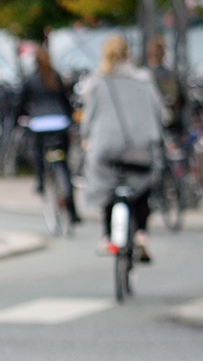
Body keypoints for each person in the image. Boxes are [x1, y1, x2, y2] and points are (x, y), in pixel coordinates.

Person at [80, 36, 163, 261]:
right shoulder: (144, 80)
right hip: (141, 145)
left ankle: (107, 237)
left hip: (106, 146)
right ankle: (142, 234)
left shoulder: (98, 81)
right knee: (143, 186)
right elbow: (159, 113)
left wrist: (85, 137)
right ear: (129, 54)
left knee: (107, 186)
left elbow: (88, 117)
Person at [20, 44, 80, 223]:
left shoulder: (31, 79)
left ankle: (40, 182)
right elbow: (65, 100)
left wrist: (20, 118)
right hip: (60, 122)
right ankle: (72, 209)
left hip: (40, 123)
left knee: (37, 151)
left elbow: (21, 103)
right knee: (63, 162)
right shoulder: (56, 77)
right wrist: (70, 118)